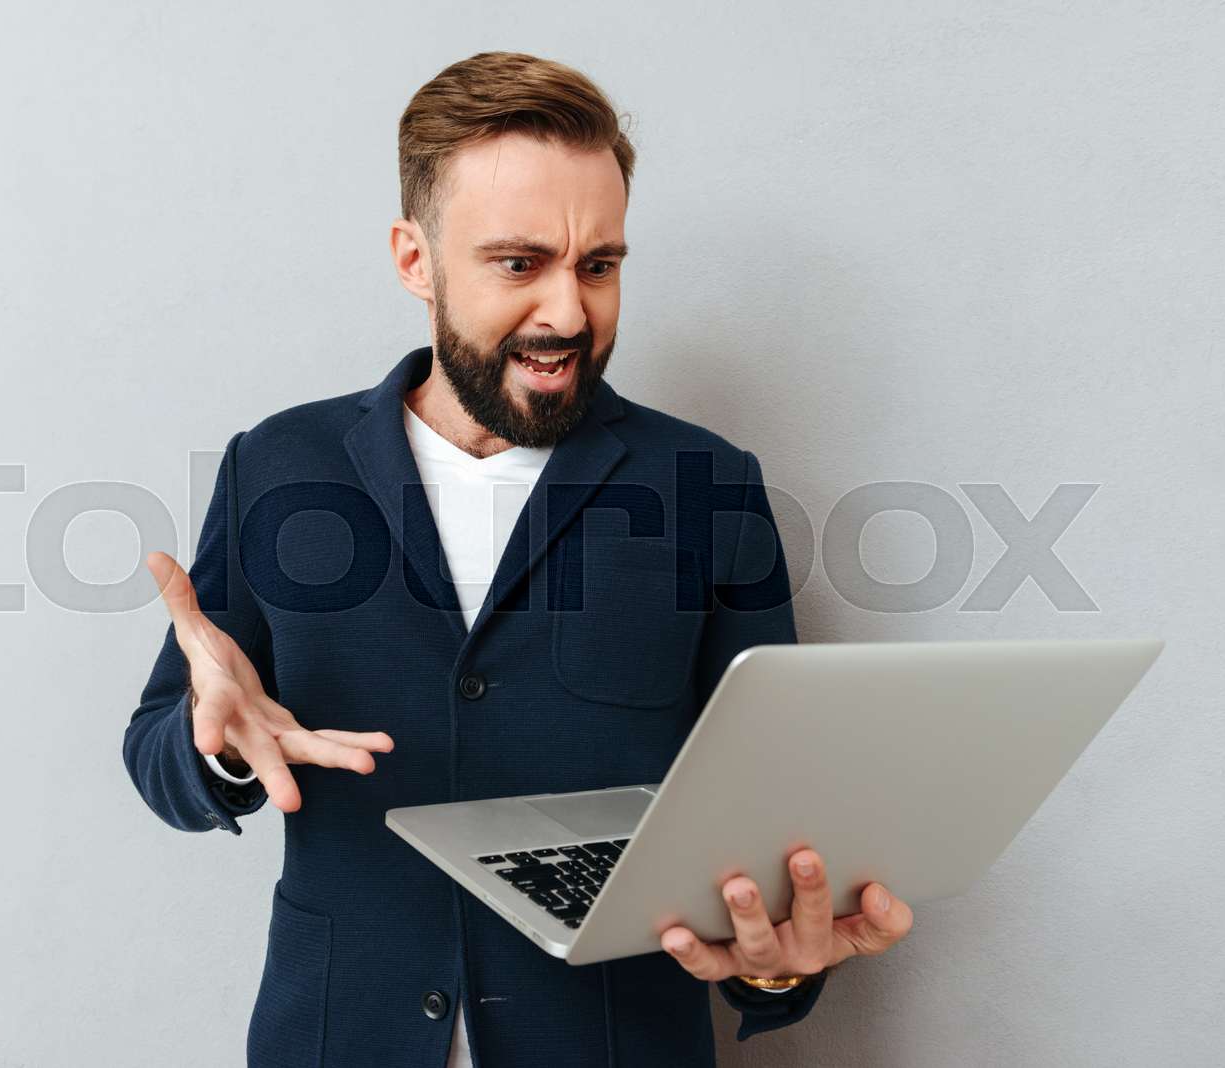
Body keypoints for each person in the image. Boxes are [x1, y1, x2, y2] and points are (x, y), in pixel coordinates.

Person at [123, 50, 913, 1068]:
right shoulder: (279, 466)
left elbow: (776, 823)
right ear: (415, 261)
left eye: (599, 266)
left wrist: (775, 966)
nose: (568, 313)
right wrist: (215, 744)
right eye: (518, 264)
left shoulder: (709, 485)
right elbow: (158, 750)